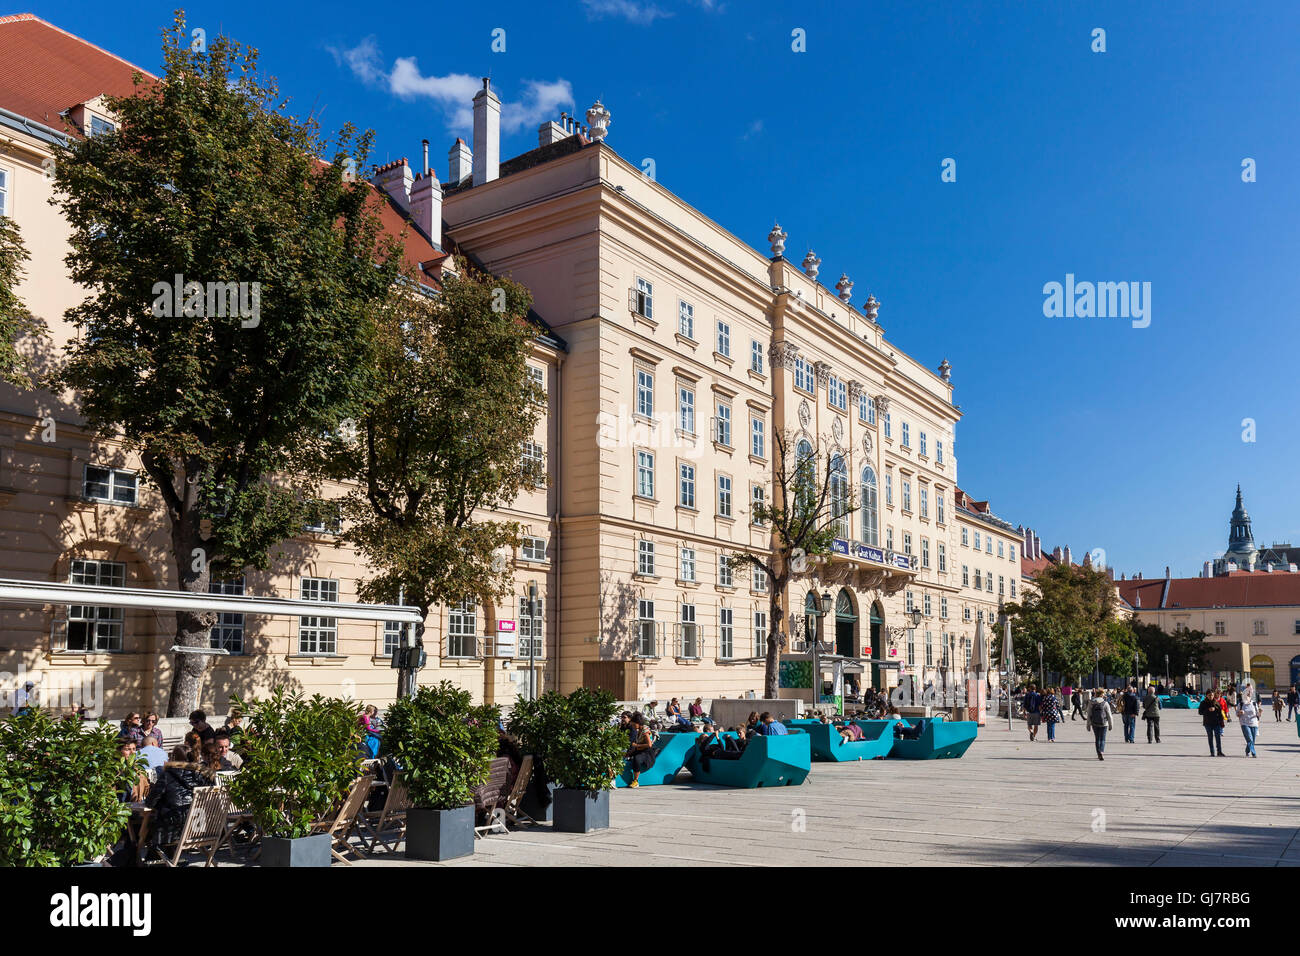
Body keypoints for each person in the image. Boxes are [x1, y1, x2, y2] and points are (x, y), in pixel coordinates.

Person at [144, 745, 216, 852]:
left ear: (173, 758)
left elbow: (150, 802)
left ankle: (156, 857)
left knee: (145, 825)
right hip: (199, 826)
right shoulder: (204, 775)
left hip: (173, 828)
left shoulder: (167, 775)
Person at [625, 715, 656, 787]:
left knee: (637, 759)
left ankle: (635, 781)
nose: (632, 726)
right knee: (626, 754)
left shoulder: (645, 730)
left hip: (647, 752)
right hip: (640, 750)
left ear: (638, 723)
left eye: (633, 724)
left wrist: (637, 746)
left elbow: (649, 745)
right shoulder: (639, 730)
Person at [1199, 690, 1226, 756]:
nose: (1211, 696)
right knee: (1210, 737)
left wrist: (1221, 722)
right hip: (1208, 723)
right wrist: (1208, 710)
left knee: (1218, 737)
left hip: (1216, 722)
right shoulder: (1203, 703)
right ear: (1206, 695)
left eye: (1212, 695)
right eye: (1209, 695)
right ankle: (1212, 752)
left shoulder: (1216, 702)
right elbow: (1200, 712)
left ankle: (1219, 751)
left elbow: (1220, 713)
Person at [1087, 689, 1112, 760]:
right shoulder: (1105, 703)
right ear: (1102, 694)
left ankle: (1098, 753)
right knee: (1103, 739)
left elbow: (1089, 714)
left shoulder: (1091, 703)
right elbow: (1109, 715)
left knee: (1097, 739)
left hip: (1094, 723)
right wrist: (1111, 725)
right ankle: (1101, 751)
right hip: (1104, 723)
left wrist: (1088, 725)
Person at [1237, 689, 1260, 758]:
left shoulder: (1254, 704)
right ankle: (1253, 753)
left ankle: (1247, 750)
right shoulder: (1240, 704)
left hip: (1254, 723)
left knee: (1253, 740)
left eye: (1249, 695)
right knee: (1250, 739)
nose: (1247, 696)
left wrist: (1260, 713)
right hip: (1244, 723)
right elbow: (1237, 714)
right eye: (1246, 695)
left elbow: (1257, 714)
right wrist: (1240, 713)